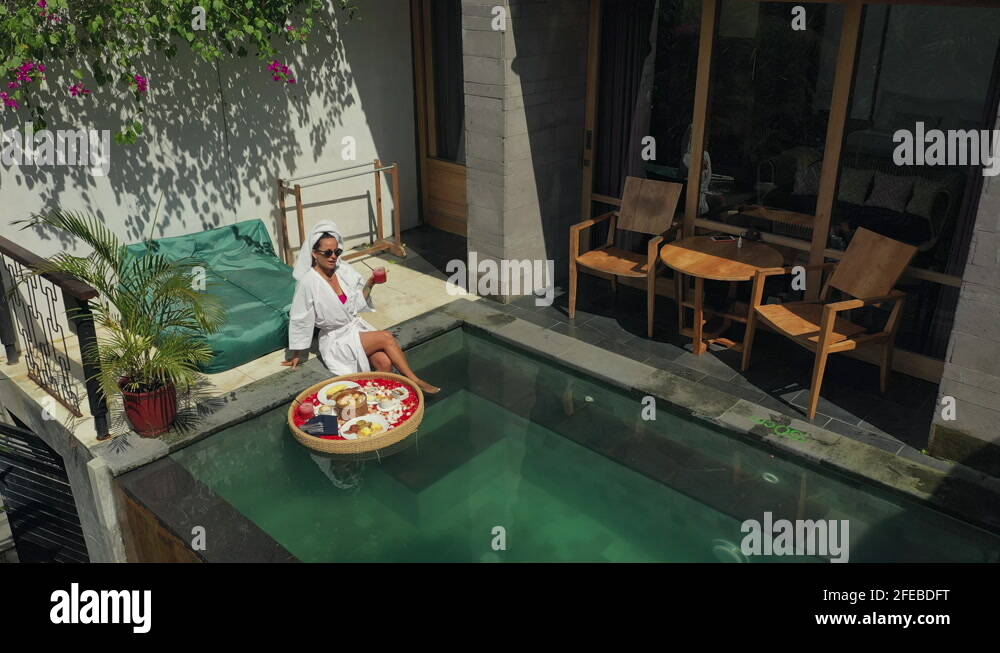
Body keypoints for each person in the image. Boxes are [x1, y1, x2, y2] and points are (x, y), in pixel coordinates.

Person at [281, 221, 440, 394]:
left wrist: (370, 283)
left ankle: (380, 397)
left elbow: (355, 304)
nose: (333, 257)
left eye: (337, 252)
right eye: (327, 252)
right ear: (314, 253)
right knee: (386, 337)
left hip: (354, 330)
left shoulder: (341, 272)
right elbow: (301, 317)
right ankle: (414, 381)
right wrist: (297, 353)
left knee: (384, 363)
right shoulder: (308, 283)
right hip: (337, 340)